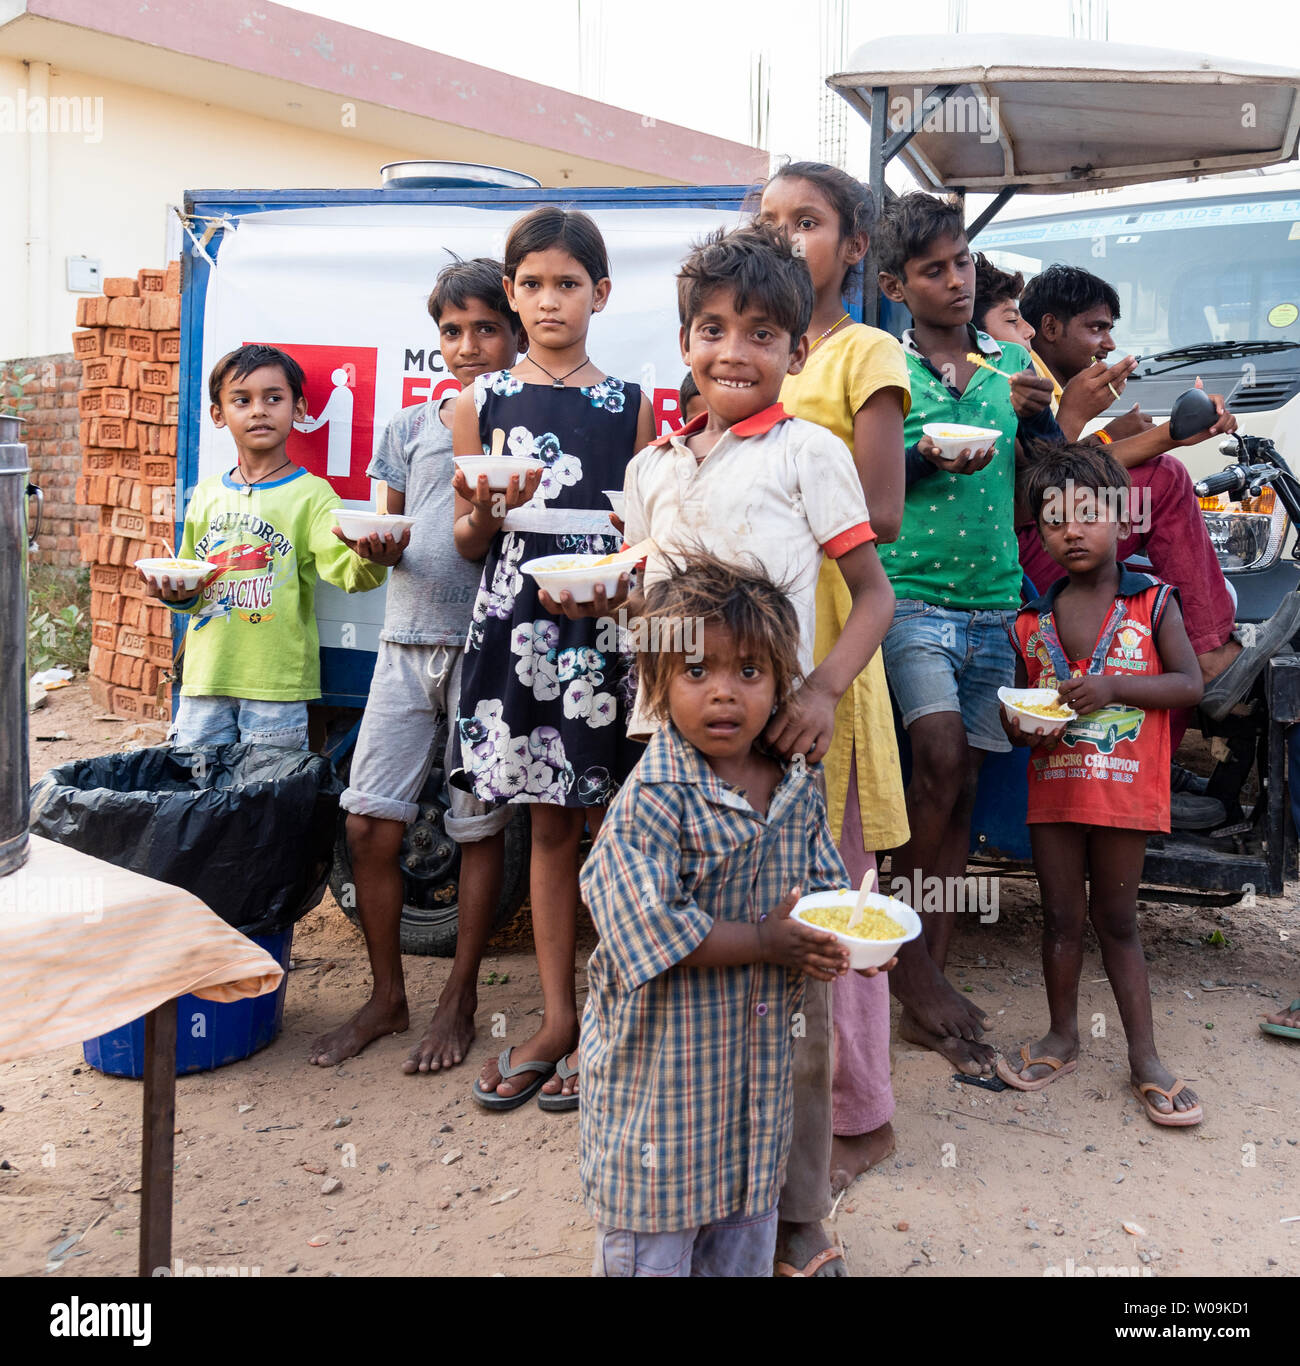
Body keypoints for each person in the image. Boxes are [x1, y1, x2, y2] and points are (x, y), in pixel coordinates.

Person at [622, 220, 896, 1277]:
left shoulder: (808, 452)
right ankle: (683, 1197)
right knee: (682, 971)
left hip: (781, 757)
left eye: (762, 332)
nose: (733, 350)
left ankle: (798, 1217)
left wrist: (824, 686)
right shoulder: (653, 467)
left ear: (794, 350)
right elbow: (648, 605)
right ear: (685, 339)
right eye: (713, 328)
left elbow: (871, 596)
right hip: (667, 752)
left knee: (795, 990)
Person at [579, 553, 894, 1277]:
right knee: (655, 1256)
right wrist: (764, 941)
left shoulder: (794, 784)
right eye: (696, 673)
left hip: (752, 1113)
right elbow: (642, 928)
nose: (723, 694)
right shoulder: (651, 800)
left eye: (749, 673)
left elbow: (825, 892)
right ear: (657, 687)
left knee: (740, 1248)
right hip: (660, 1109)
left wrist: (857, 939)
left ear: (782, 682)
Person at [453, 207, 655, 1112]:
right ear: (510, 292)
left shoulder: (636, 404)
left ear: (600, 295)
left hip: (608, 626)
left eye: (567, 284)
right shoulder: (477, 403)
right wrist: (496, 504)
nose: (548, 300)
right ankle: (557, 1017)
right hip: (518, 622)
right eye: (530, 284)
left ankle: (618, 1014)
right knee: (545, 825)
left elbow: (651, 530)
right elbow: (466, 544)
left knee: (619, 821)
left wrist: (626, 563)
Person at [309, 259, 524, 1071]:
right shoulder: (406, 430)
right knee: (368, 821)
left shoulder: (527, 428)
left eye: (485, 329)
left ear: (513, 333)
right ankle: (387, 996)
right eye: (451, 332)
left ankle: (459, 995)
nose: (468, 346)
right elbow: (386, 531)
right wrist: (371, 545)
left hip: (489, 649)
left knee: (476, 828)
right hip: (403, 643)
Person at [756, 161, 908, 1202]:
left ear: (854, 245)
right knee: (766, 886)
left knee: (839, 882)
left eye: (805, 221)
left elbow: (883, 515)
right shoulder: (747, 351)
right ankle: (788, 1099)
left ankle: (865, 1114)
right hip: (749, 661)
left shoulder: (864, 351)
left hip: (830, 657)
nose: (783, 235)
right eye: (767, 220)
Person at [872, 192, 1031, 1076]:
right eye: (935, 268)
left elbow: (1033, 469)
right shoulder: (886, 370)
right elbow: (867, 479)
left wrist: (1058, 418)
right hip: (912, 599)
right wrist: (921, 457)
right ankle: (912, 973)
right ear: (896, 283)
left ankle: (924, 966)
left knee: (963, 785)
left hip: (994, 602)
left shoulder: (1011, 366)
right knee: (931, 759)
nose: (957, 279)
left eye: (964, 262)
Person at [1000, 441, 1204, 1127]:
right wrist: (1021, 725)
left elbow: (1187, 684)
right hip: (1054, 791)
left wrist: (1115, 684)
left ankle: (1144, 1057)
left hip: (1123, 792)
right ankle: (1062, 1036)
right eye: (1054, 520)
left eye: (1087, 514)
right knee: (1058, 918)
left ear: (1122, 519)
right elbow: (1019, 713)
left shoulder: (1154, 604)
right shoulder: (1030, 622)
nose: (1071, 530)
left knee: (1117, 921)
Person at [1019, 264, 1292, 723]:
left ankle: (1163, 765)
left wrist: (1109, 436)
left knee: (1159, 595)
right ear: (1050, 327)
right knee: (1163, 477)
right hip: (1029, 542)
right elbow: (1040, 480)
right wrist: (1164, 435)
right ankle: (1209, 653)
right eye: (1097, 328)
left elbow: (1066, 460)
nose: (1108, 344)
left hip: (1042, 528)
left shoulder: (1047, 383)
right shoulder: (1025, 379)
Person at [147, 343, 390, 749]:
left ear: (298, 409)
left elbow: (348, 572)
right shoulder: (205, 495)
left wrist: (374, 557)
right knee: (198, 793)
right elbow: (190, 581)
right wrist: (174, 594)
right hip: (205, 679)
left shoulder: (313, 495)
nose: (258, 410)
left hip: (277, 688)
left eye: (273, 398)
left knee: (265, 799)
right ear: (219, 415)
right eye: (242, 400)